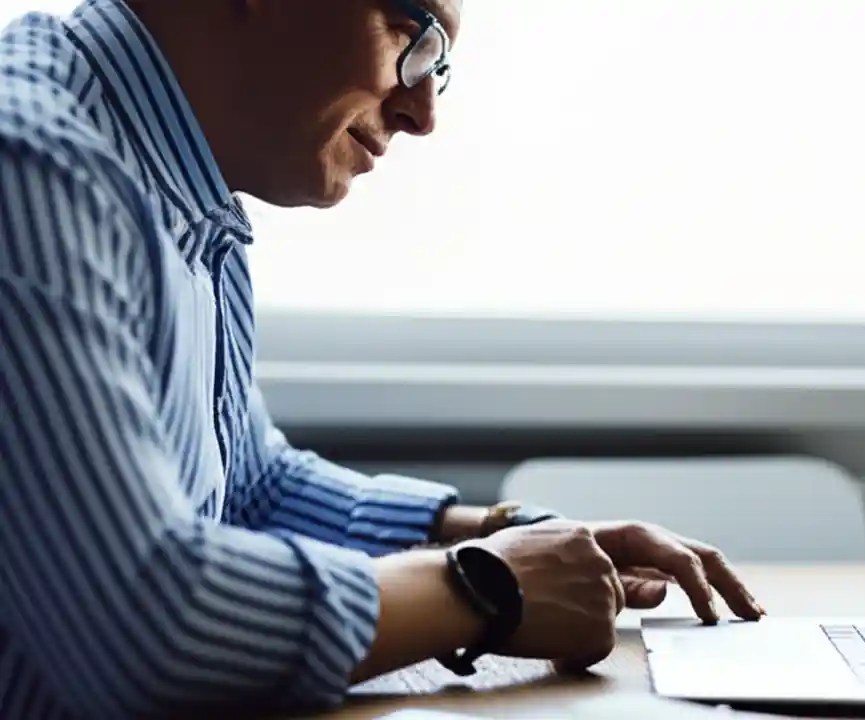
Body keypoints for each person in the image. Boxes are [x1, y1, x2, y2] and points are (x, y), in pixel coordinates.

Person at [0, 1, 767, 717]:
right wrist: (485, 585)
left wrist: (505, 535)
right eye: (414, 35)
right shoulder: (32, 165)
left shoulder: (180, 202)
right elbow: (137, 631)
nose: (424, 111)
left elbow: (252, 490)